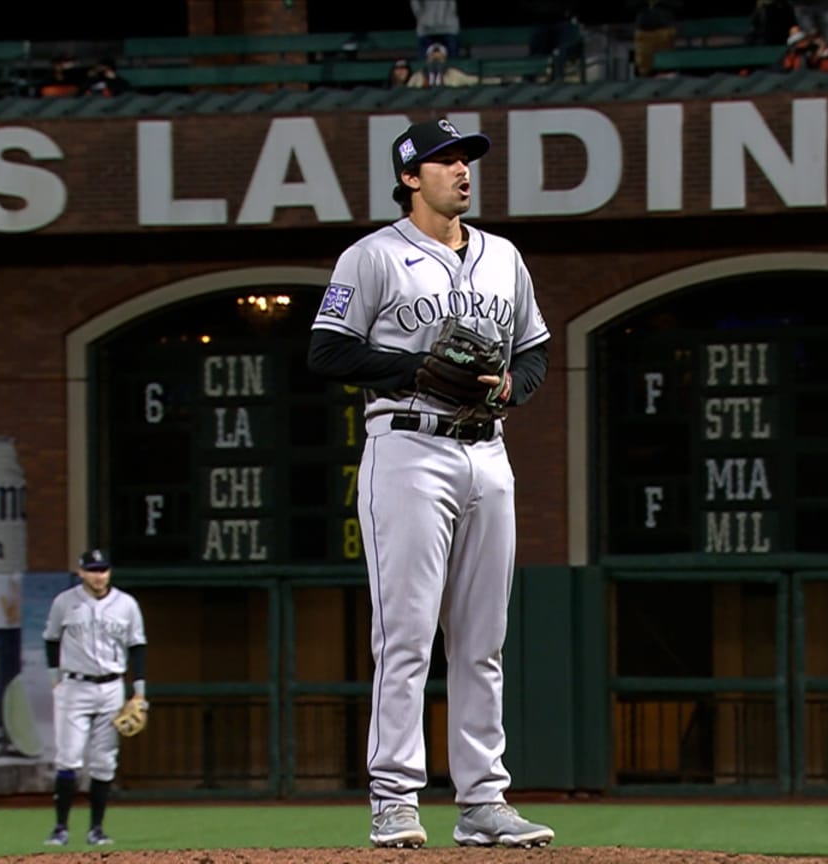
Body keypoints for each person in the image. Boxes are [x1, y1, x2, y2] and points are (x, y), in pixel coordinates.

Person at [306, 118, 554, 849]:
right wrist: (412, 370)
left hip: (488, 453)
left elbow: (534, 350)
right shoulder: (373, 256)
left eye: (467, 159)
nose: (463, 170)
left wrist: (511, 388)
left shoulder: (504, 257)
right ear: (411, 177)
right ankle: (394, 797)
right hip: (406, 449)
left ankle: (483, 800)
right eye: (446, 161)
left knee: (482, 641)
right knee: (406, 636)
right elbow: (325, 352)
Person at [42, 549, 148, 847]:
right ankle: (60, 827)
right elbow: (51, 639)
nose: (98, 575)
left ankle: (96, 829)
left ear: (109, 571)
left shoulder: (126, 604)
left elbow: (137, 646)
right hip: (74, 686)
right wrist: (55, 681)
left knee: (104, 762)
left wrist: (139, 691)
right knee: (69, 759)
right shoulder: (64, 602)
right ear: (81, 572)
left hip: (112, 688)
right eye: (93, 570)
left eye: (103, 569)